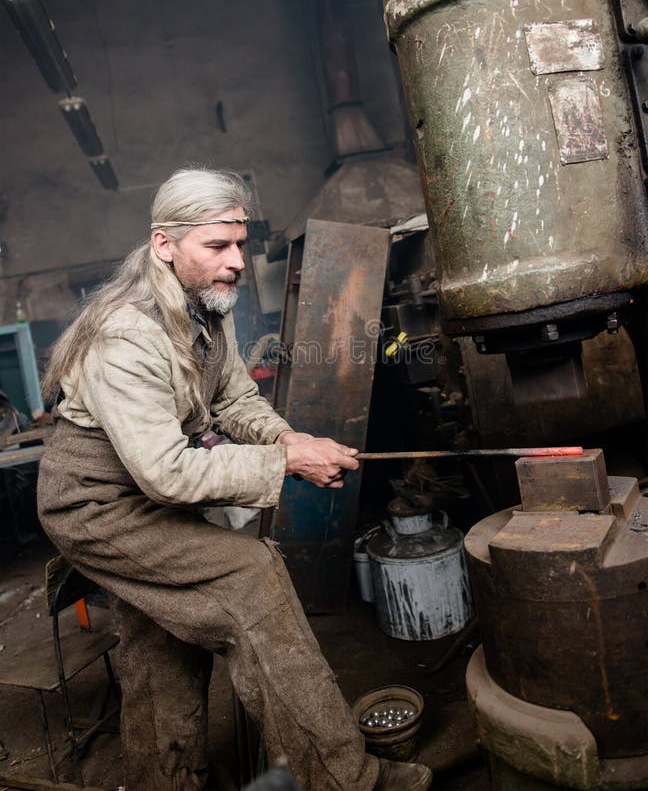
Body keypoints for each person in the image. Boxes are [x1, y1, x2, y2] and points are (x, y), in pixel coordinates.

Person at [37, 168, 433, 791]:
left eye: (240, 245)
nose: (236, 262)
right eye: (217, 246)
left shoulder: (204, 309)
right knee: (252, 579)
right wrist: (285, 466)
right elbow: (166, 471)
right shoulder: (126, 335)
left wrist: (287, 438)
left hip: (139, 491)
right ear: (164, 244)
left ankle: (166, 780)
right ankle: (343, 780)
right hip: (96, 507)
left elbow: (234, 402)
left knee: (162, 636)